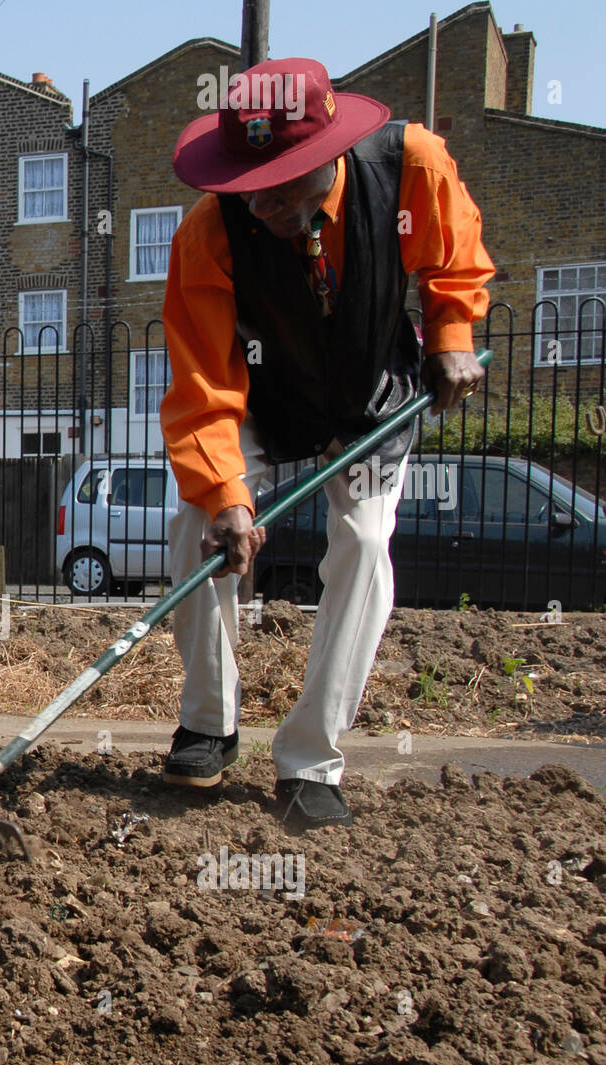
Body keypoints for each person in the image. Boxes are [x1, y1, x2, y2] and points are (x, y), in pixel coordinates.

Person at [159, 59, 494, 830]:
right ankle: (210, 721)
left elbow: (456, 255)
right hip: (268, 395)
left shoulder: (411, 166)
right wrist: (226, 498)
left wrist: (451, 334)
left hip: (372, 392)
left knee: (365, 543)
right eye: (253, 185)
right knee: (194, 528)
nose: (267, 204)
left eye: (284, 183)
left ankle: (310, 758)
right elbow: (203, 382)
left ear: (329, 154)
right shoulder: (209, 233)